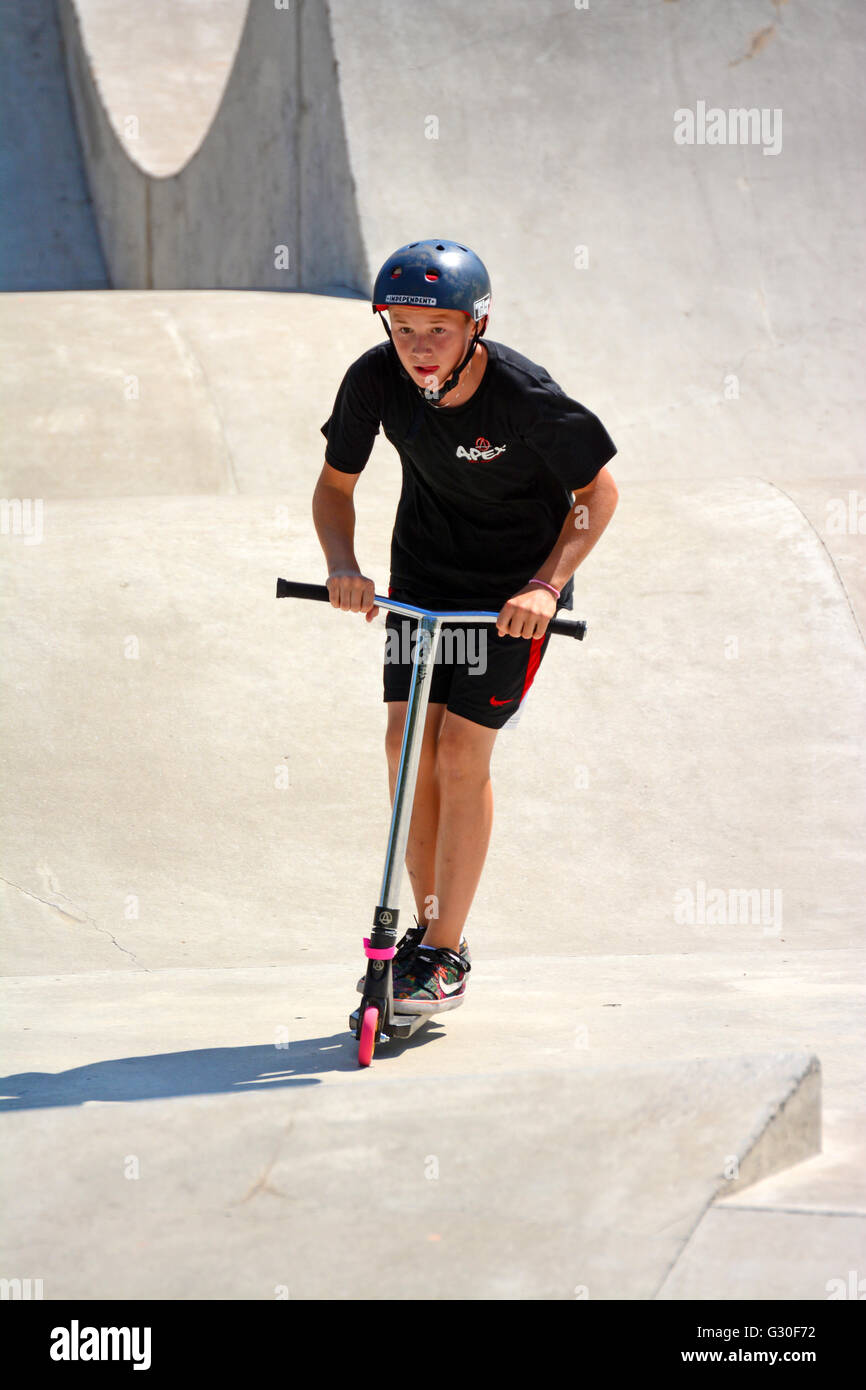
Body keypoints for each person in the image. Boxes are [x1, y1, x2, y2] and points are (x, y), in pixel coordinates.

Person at [313, 239, 618, 1015]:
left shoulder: (523, 394)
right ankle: (426, 930)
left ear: (475, 326)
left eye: (437, 330)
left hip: (512, 593)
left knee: (458, 752)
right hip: (424, 574)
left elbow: (598, 495)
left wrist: (547, 586)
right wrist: (343, 565)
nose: (418, 347)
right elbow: (334, 490)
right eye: (403, 328)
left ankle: (446, 952)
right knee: (404, 744)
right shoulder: (374, 381)